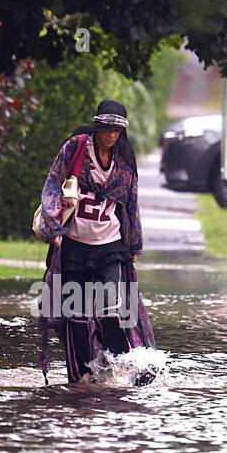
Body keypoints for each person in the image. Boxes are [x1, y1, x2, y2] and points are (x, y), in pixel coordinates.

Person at [36, 100, 155, 384]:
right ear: (97, 126)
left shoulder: (124, 159)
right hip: (75, 244)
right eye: (106, 128)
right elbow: (53, 183)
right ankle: (82, 376)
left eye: (116, 129)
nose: (111, 135)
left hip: (110, 245)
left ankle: (123, 370)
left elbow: (131, 202)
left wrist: (134, 244)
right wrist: (53, 226)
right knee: (75, 312)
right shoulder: (76, 148)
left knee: (110, 310)